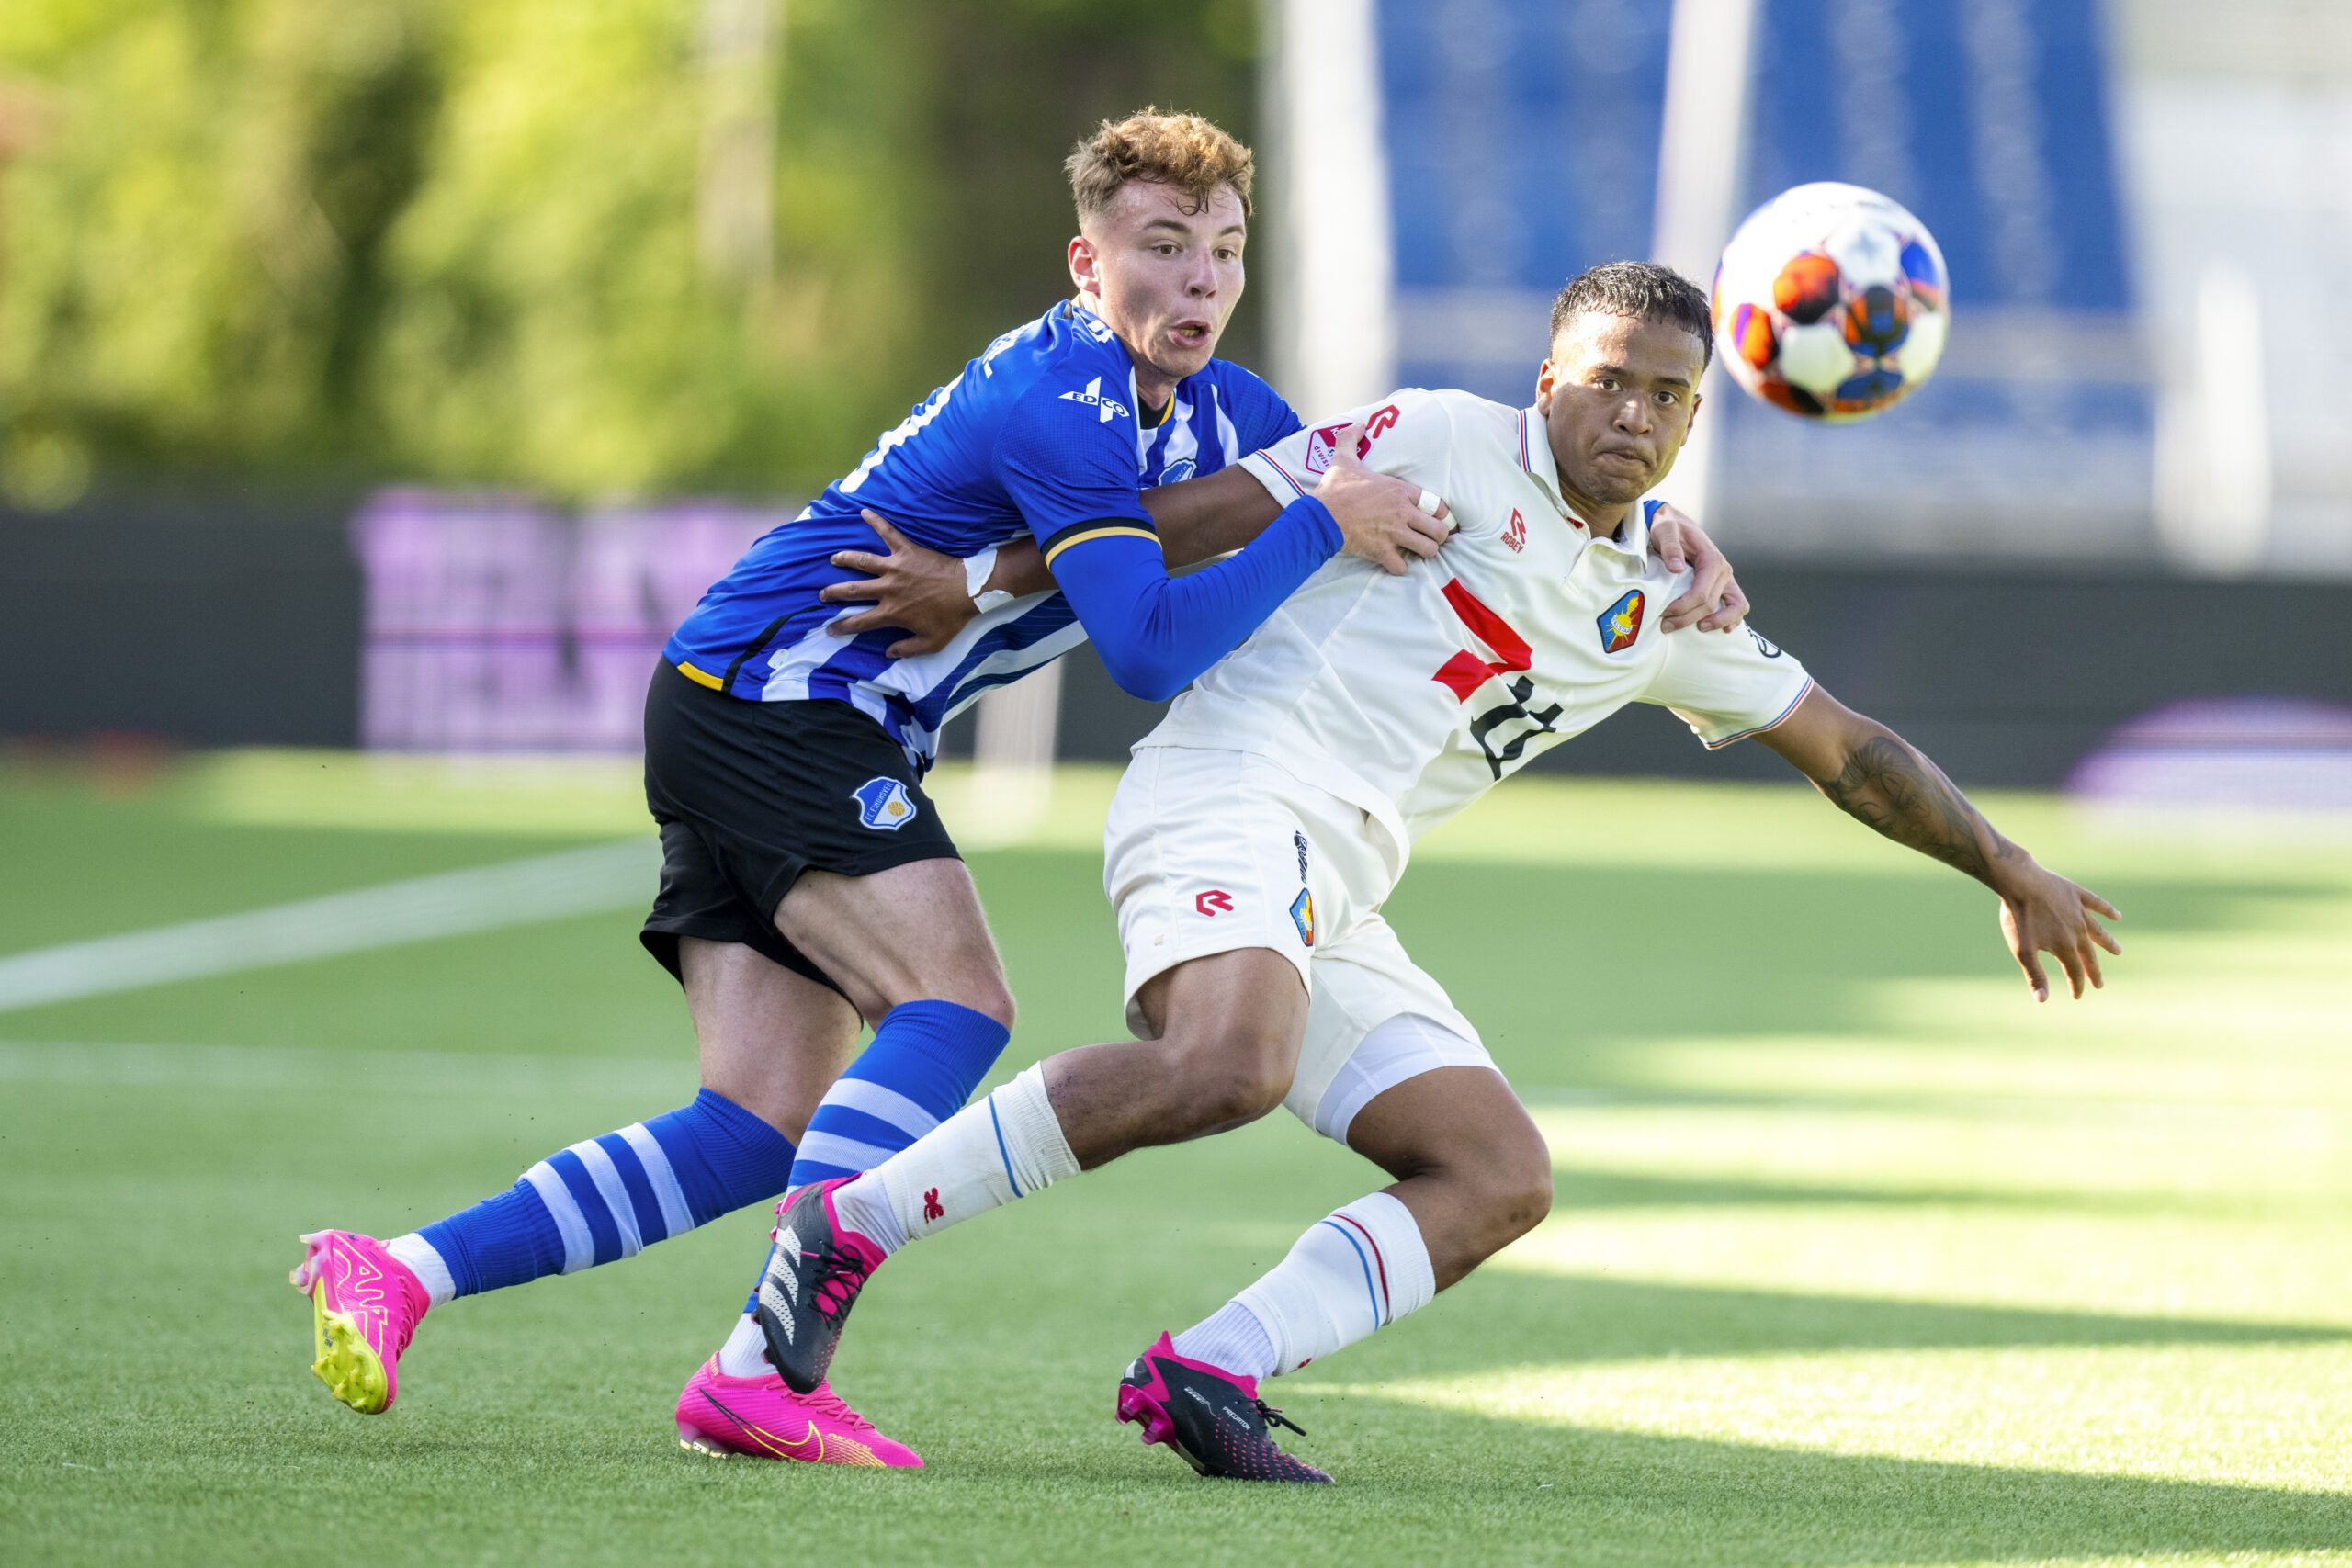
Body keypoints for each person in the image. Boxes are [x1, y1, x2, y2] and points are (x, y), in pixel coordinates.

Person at [288, 110, 1746, 1468]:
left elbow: (1444, 470)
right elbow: (1151, 644)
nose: (1200, 278)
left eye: (1226, 249)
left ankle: (398, 1273)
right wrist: (1313, 523)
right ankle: (766, 1361)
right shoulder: (1060, 392)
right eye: (1162, 247)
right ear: (1086, 261)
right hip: (787, 696)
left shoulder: (1225, 403)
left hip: (777, 713)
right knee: (960, 1004)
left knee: (752, 1123)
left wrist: (1652, 519)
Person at [744, 261, 2123, 1483]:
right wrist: (986, 582)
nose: (1632, 413)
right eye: (1606, 383)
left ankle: (1209, 1369)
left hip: (1333, 882)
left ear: (1695, 420)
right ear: (1548, 384)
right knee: (1231, 1062)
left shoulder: (1668, 603)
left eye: (1665, 396)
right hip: (1231, 788)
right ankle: (846, 1224)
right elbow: (1204, 512)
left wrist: (2007, 869)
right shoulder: (1443, 438)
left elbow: (1849, 747)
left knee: (1495, 1173)